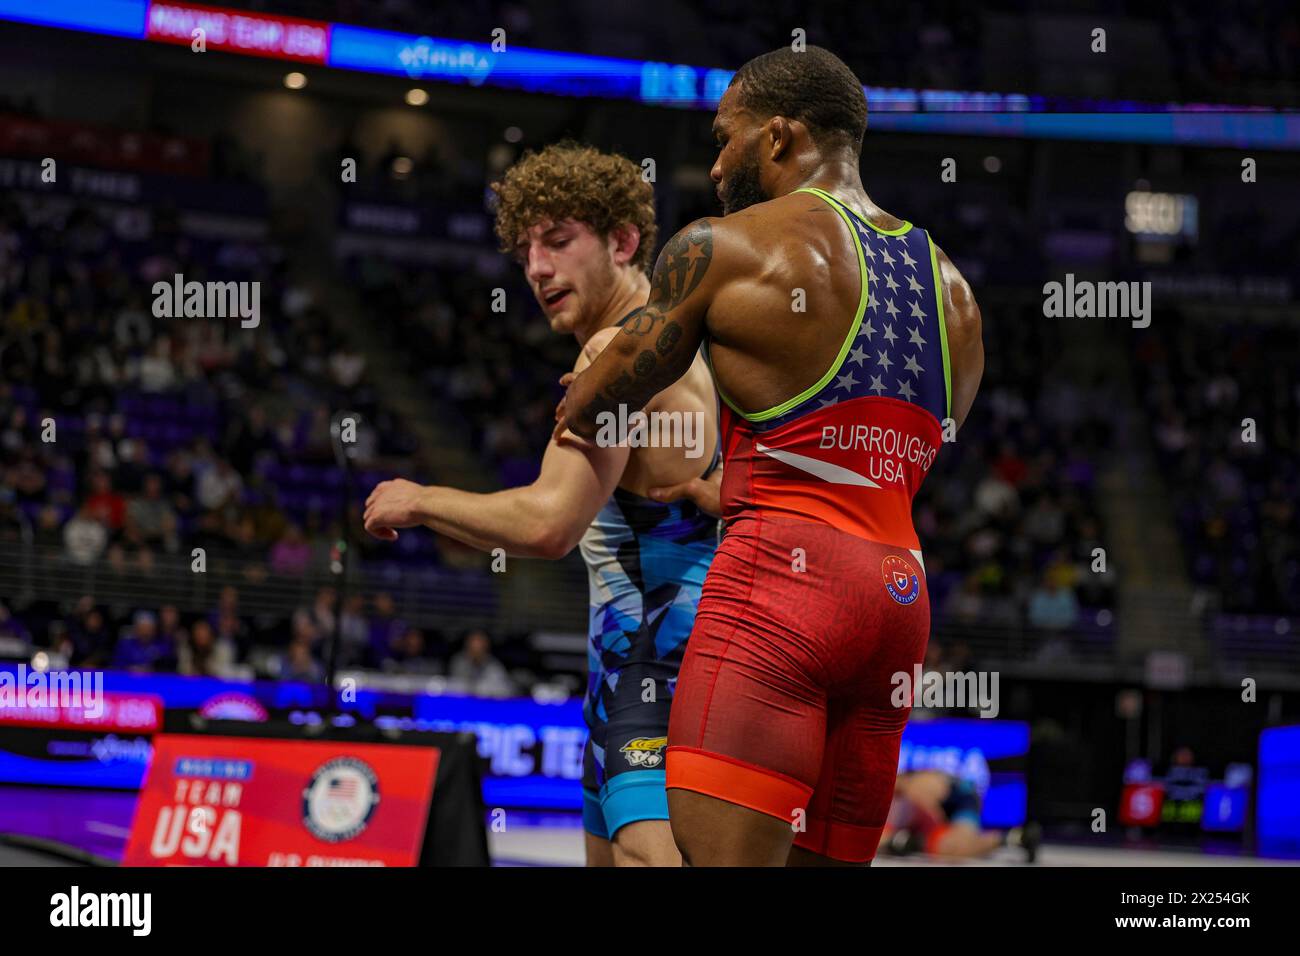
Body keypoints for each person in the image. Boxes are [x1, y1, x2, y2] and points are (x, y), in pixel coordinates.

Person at [558, 46, 984, 866]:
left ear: (780, 138)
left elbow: (595, 398)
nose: (716, 165)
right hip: (897, 600)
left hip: (779, 591)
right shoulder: (954, 293)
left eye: (727, 138)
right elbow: (927, 447)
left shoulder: (726, 247)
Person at [363, 143, 721, 867]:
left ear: (623, 242)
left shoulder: (618, 354)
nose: (536, 268)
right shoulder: (677, 343)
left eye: (559, 242)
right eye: (526, 250)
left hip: (656, 675)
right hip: (627, 674)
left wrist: (420, 498)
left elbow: (551, 523)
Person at [879, 771, 1040, 862]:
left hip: (956, 799)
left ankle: (1013, 838)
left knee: (951, 848)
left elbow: (932, 812)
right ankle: (1015, 838)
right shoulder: (898, 795)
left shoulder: (909, 789)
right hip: (941, 800)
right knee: (947, 845)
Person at [448, 629, 513, 697]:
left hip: (485, 703)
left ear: (486, 647)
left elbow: (504, 690)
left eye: (479, 646)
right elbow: (455, 685)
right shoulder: (459, 662)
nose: (476, 649)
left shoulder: (494, 666)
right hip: (463, 702)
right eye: (473, 646)